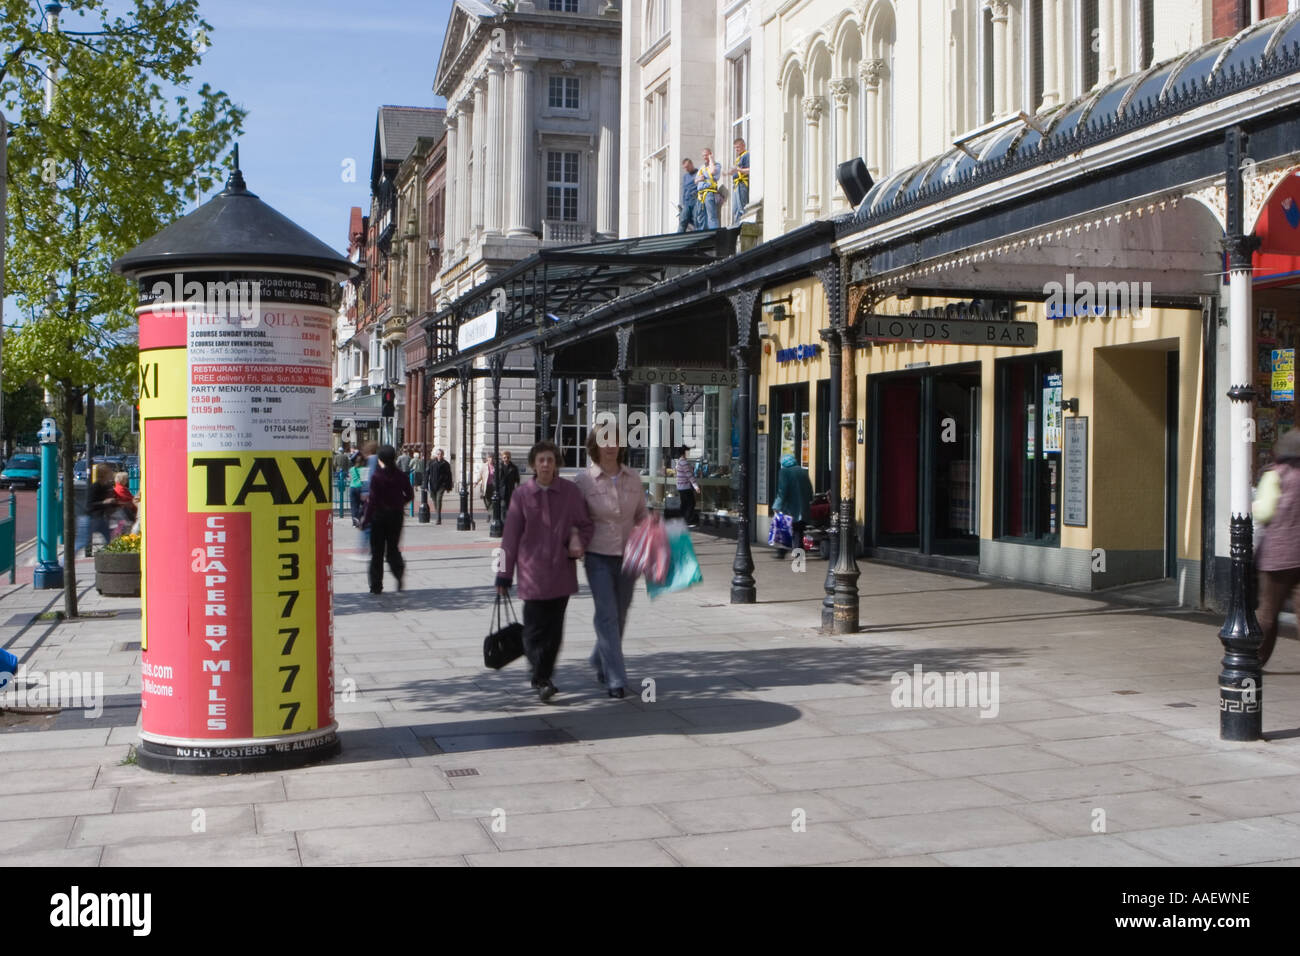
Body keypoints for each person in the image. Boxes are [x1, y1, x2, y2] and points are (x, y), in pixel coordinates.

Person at [495, 440, 594, 702]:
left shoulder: (570, 493)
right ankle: (540, 677)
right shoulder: (522, 495)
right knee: (533, 629)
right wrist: (503, 574)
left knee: (554, 630)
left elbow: (586, 525)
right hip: (532, 573)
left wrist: (578, 542)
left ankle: (543, 675)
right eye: (541, 460)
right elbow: (509, 538)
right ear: (533, 465)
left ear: (556, 464)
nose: (546, 465)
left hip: (561, 571)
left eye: (550, 460)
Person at [575, 431, 648, 698]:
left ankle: (599, 657)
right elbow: (576, 518)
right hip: (598, 555)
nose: (610, 446)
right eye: (604, 441)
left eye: (615, 441)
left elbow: (641, 514)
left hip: (629, 556)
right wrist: (574, 539)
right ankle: (616, 677)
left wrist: (650, 531)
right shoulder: (583, 481)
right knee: (607, 614)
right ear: (595, 446)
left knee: (620, 613)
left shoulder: (633, 477)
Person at [1254, 429, 1300, 666]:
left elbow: (1264, 512)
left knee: (1268, 613)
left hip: (1277, 556)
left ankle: (1255, 658)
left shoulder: (1275, 475)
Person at [361, 445, 413, 595]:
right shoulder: (401, 475)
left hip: (379, 516)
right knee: (392, 549)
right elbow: (410, 495)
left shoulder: (377, 477)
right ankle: (398, 573)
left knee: (376, 552)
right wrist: (399, 502)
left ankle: (376, 585)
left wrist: (365, 520)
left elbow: (372, 501)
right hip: (396, 516)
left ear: (381, 459)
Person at [771, 453, 813, 559]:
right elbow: (809, 488)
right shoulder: (802, 471)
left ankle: (785, 552)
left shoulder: (784, 472)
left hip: (790, 507)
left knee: (785, 528)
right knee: (798, 530)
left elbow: (782, 490)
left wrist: (777, 505)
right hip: (803, 506)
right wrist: (809, 500)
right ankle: (795, 552)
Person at [77, 464, 119, 552]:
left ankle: (108, 557)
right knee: (81, 543)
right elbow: (89, 505)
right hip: (90, 519)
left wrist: (116, 504)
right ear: (104, 474)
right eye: (109, 472)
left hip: (100, 519)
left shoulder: (106, 486)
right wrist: (104, 502)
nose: (111, 474)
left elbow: (108, 503)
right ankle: (65, 560)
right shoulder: (95, 487)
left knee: (110, 541)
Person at [695, 147, 722, 230]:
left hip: (709, 193)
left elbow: (712, 171)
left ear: (710, 155)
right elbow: (695, 181)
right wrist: (699, 179)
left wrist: (711, 160)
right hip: (700, 195)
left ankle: (714, 232)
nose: (704, 157)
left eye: (706, 155)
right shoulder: (702, 167)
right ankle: (702, 233)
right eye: (703, 156)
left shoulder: (716, 165)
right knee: (700, 217)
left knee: (711, 216)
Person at [673, 446, 699, 526]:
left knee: (684, 504)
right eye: (688, 452)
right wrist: (696, 486)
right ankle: (688, 521)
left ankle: (681, 521)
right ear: (684, 452)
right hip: (685, 486)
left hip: (681, 487)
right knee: (691, 503)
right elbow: (689, 475)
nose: (689, 453)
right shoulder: (683, 462)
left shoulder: (679, 461)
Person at [429, 448, 453, 524]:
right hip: (432, 485)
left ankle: (438, 518)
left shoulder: (446, 464)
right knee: (434, 501)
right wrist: (425, 486)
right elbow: (427, 474)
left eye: (441, 454)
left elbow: (449, 476)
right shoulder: (431, 463)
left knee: (439, 500)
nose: (439, 455)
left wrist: (449, 487)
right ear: (436, 455)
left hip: (442, 485)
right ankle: (437, 514)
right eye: (438, 454)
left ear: (443, 455)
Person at [729, 137, 750, 223]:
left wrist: (738, 170)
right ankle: (737, 225)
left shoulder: (746, 155)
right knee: (735, 209)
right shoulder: (739, 158)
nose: (736, 149)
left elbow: (749, 170)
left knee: (742, 207)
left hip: (742, 184)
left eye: (738, 147)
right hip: (736, 185)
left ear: (743, 145)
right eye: (735, 148)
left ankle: (743, 224)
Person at [111, 471, 137, 538]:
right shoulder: (121, 489)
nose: (127, 481)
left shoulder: (120, 488)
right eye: (126, 479)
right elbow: (129, 499)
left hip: (125, 511)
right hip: (126, 511)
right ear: (122, 480)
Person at [678, 158, 701, 232]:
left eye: (687, 167)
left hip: (696, 200)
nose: (686, 169)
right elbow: (684, 189)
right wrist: (683, 203)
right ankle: (678, 236)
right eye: (684, 168)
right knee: (683, 220)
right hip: (687, 202)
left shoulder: (699, 173)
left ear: (691, 164)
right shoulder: (685, 176)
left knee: (696, 219)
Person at [474, 452, 495, 522]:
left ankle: (491, 515)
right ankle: (489, 513)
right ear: (487, 459)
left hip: (493, 487)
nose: (491, 459)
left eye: (492, 458)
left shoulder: (496, 466)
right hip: (485, 487)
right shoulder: (484, 466)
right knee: (486, 502)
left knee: (492, 501)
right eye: (489, 458)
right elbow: (480, 475)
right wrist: (476, 482)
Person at [348, 452, 367, 527]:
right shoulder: (364, 469)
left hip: (352, 488)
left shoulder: (351, 469)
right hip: (360, 488)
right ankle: (360, 519)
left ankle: (355, 523)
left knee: (354, 506)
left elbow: (350, 478)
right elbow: (364, 481)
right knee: (365, 505)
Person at [499, 450, 520, 516]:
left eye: (508, 457)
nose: (506, 459)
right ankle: (503, 520)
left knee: (510, 508)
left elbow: (517, 479)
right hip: (501, 491)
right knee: (502, 507)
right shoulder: (499, 467)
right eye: (504, 457)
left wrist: (516, 488)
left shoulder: (514, 468)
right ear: (502, 458)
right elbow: (495, 479)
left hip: (510, 490)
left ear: (510, 458)